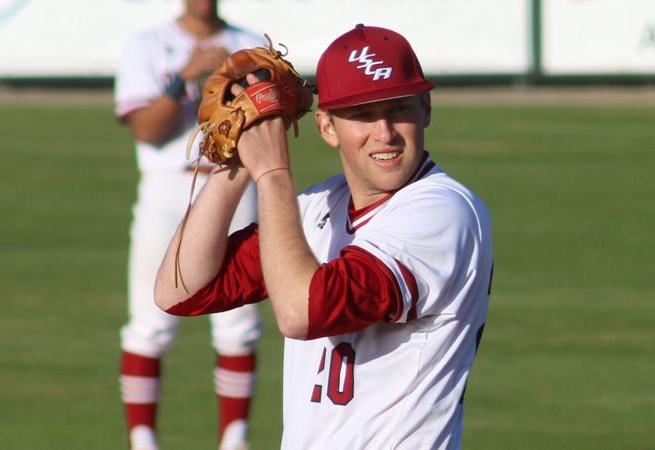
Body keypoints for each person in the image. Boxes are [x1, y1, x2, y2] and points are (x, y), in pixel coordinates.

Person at [153, 24, 494, 449]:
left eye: (399, 109)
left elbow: (302, 313)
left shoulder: (443, 212)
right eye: (363, 115)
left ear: (426, 109)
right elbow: (180, 291)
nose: (384, 133)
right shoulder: (321, 206)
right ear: (327, 126)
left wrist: (273, 172)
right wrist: (237, 162)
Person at [112, 1, 264, 449]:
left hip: (234, 181)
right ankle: (143, 443)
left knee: (239, 320)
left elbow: (268, 123)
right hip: (166, 185)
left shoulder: (249, 45)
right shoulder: (146, 46)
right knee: (149, 322)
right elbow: (147, 131)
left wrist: (238, 81)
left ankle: (235, 441)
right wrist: (186, 75)